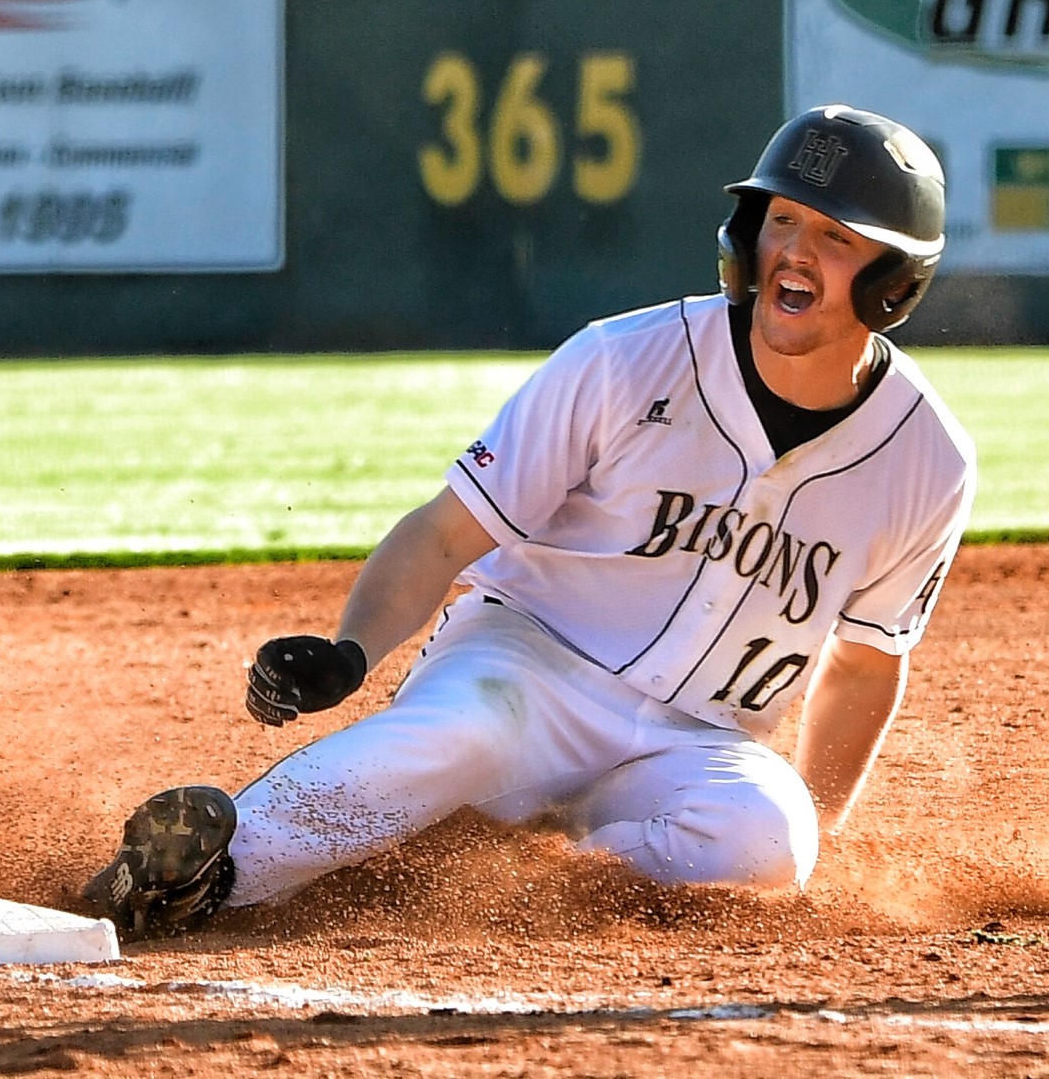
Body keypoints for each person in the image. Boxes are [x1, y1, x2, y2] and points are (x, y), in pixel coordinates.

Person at [83, 104, 976, 940]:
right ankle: (205, 876)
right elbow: (447, 532)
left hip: (696, 741)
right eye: (781, 220)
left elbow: (865, 665)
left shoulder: (928, 460)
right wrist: (353, 652)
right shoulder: (624, 361)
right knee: (460, 734)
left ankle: (508, 877)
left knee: (769, 839)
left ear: (893, 281)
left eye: (834, 236)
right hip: (525, 667)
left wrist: (817, 833)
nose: (794, 253)